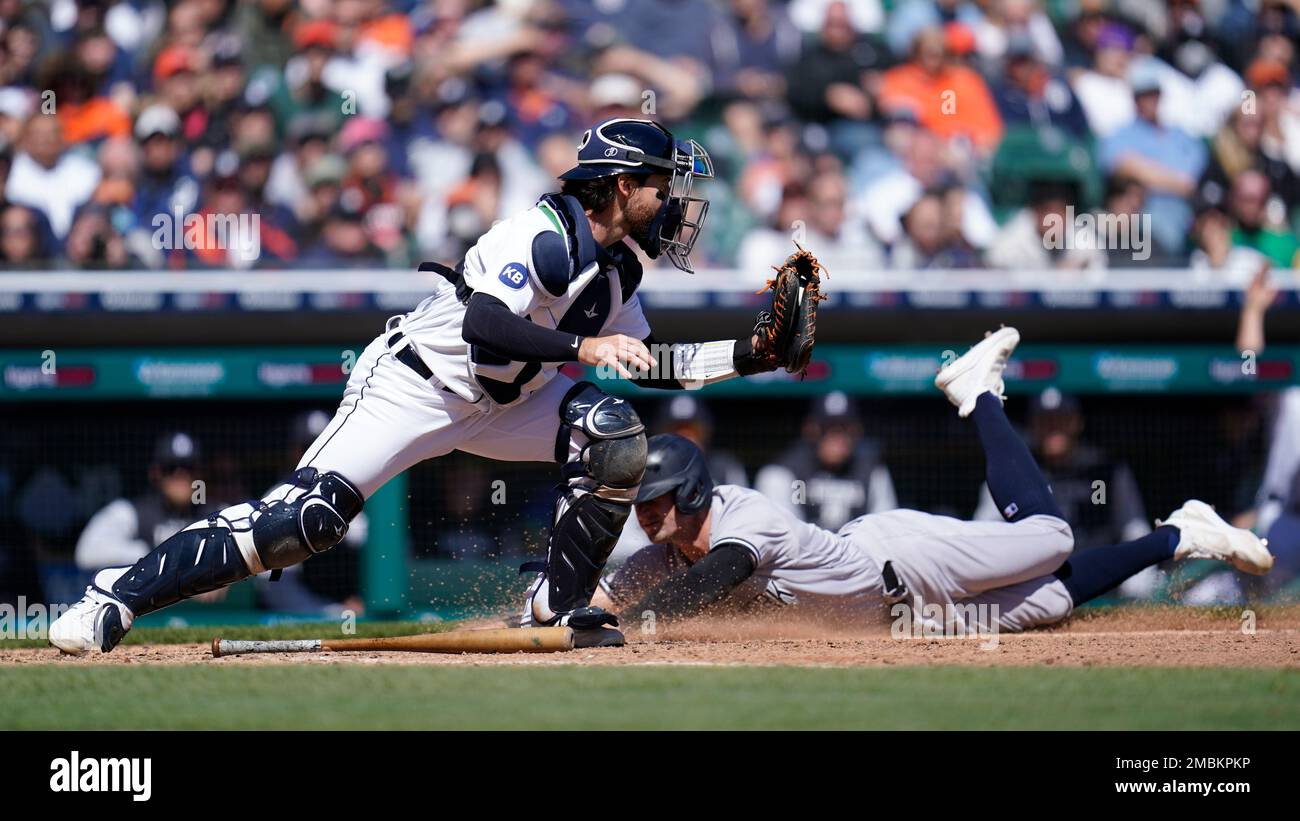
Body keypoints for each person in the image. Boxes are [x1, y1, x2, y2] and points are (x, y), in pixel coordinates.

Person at [50, 118, 802, 654]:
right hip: (418, 382)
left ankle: (559, 601)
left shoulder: (620, 270)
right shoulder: (541, 235)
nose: (672, 203)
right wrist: (582, 344)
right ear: (622, 184)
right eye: (662, 186)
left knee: (613, 436)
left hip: (509, 400)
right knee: (305, 522)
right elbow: (483, 324)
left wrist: (752, 353)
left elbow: (646, 363)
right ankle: (115, 595)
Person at [593, 329, 1274, 631]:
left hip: (901, 555)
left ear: (688, 495)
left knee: (1052, 536)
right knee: (1052, 603)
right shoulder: (663, 555)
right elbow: (604, 592)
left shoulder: (742, 517)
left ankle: (977, 392)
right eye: (640, 506)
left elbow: (715, 578)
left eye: (654, 503)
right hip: (900, 616)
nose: (645, 518)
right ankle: (1181, 534)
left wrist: (639, 624)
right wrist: (555, 611)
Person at [74, 433, 218, 574]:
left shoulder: (217, 513)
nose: (180, 475)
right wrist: (155, 554)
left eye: (189, 468)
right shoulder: (131, 511)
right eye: (171, 468)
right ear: (155, 473)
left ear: (201, 473)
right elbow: (87, 554)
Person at [755, 391, 897, 531]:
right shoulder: (784, 472)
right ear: (810, 429)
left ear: (857, 430)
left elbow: (884, 532)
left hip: (857, 552)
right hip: (803, 553)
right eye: (827, 427)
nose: (836, 437)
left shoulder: (871, 471)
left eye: (844, 428)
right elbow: (785, 536)